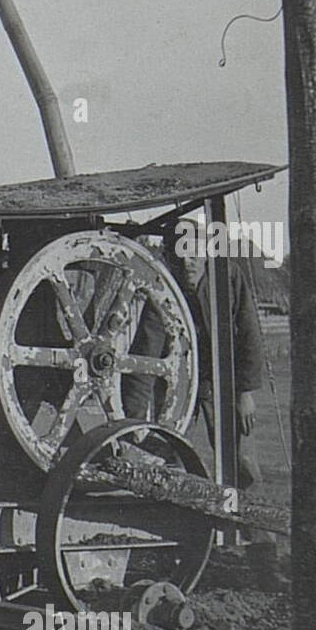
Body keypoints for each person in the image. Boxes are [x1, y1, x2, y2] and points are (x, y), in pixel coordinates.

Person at [122, 219, 280, 589]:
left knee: (243, 467)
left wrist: (244, 393)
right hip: (180, 385)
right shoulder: (166, 288)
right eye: (181, 256)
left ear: (208, 252)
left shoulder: (230, 278)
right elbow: (146, 349)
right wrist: (133, 422)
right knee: (172, 465)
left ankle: (265, 563)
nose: (188, 262)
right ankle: (176, 556)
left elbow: (250, 337)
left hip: (226, 386)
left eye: (194, 253)